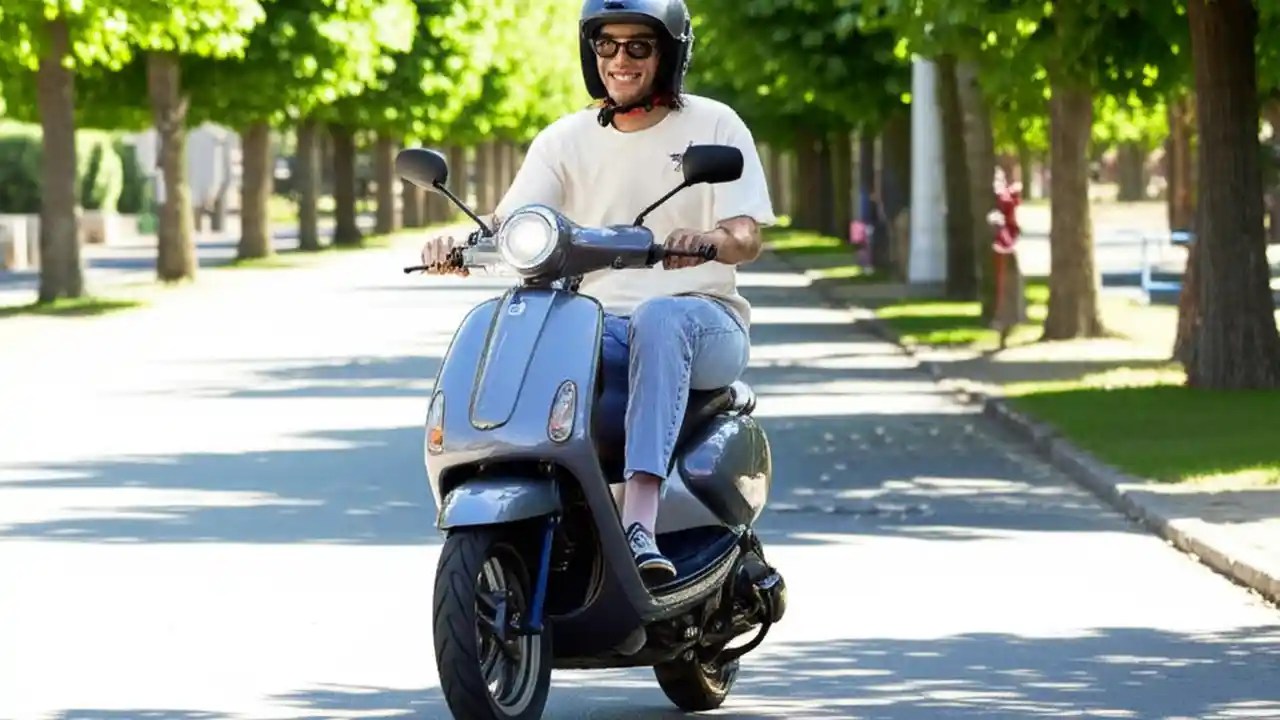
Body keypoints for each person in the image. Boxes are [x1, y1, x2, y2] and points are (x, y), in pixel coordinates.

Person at [418, 0, 775, 586]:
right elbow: (510, 222)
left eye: (639, 46)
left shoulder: (715, 124)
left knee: (661, 317)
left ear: (669, 54)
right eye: (606, 46)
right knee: (525, 319)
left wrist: (707, 241)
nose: (620, 60)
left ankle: (639, 521)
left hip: (703, 317)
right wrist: (458, 245)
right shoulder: (565, 139)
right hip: (599, 324)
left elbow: (746, 236)